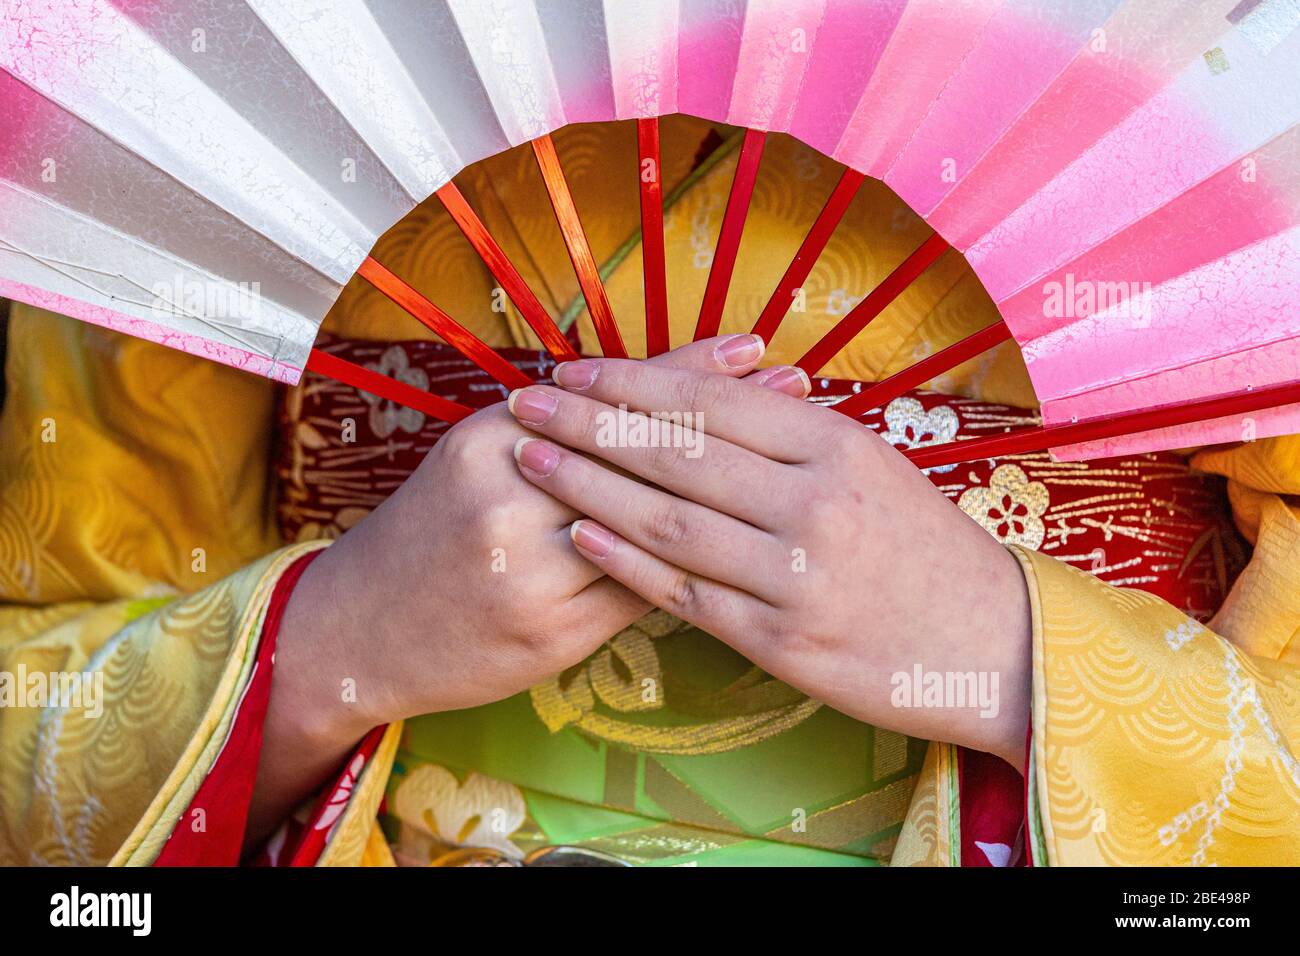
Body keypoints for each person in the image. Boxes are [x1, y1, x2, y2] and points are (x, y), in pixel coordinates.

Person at [1, 117, 1297, 867]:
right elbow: (32, 689)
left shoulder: (1219, 123)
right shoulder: (256, 113)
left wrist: (1014, 662)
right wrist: (332, 646)